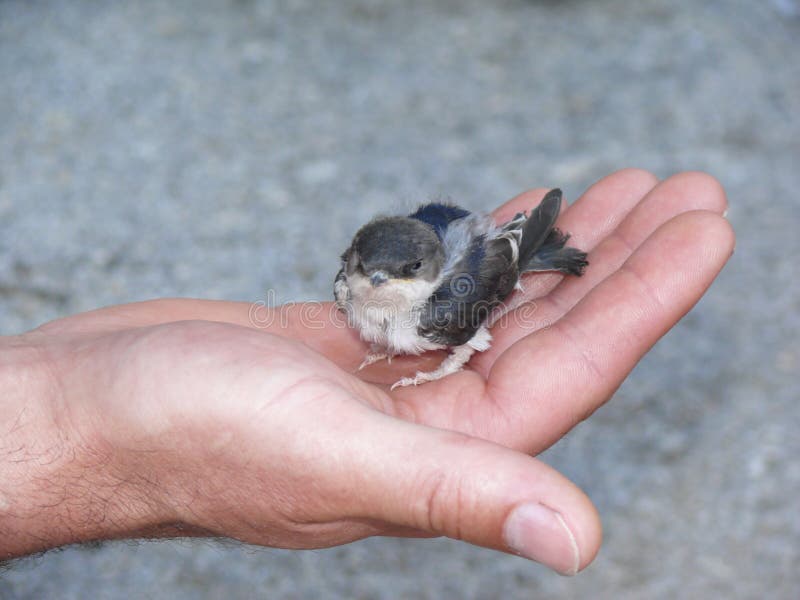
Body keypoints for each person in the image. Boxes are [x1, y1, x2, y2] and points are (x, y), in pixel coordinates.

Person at [0, 170, 733, 576]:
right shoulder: (360, 285)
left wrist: (456, 344)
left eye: (400, 275)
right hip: (460, 238)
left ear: (425, 270)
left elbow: (475, 255)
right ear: (352, 263)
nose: (375, 286)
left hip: (485, 257)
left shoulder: (440, 303)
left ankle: (537, 259)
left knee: (468, 309)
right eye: (363, 272)